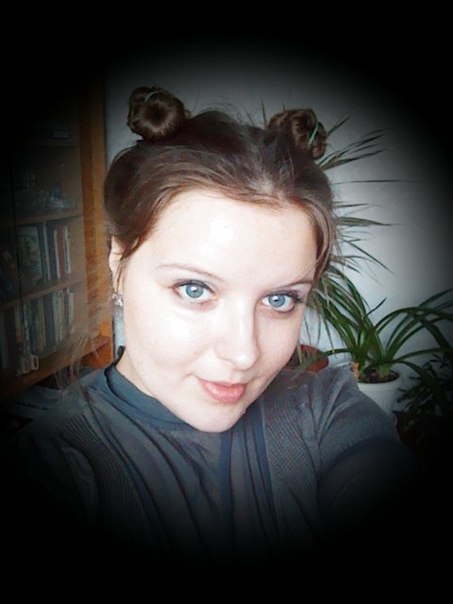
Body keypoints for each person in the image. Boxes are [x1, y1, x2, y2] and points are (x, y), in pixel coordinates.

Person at [1, 85, 416, 569]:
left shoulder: (326, 408)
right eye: (195, 289)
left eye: (280, 299)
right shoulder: (53, 465)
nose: (243, 354)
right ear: (119, 263)